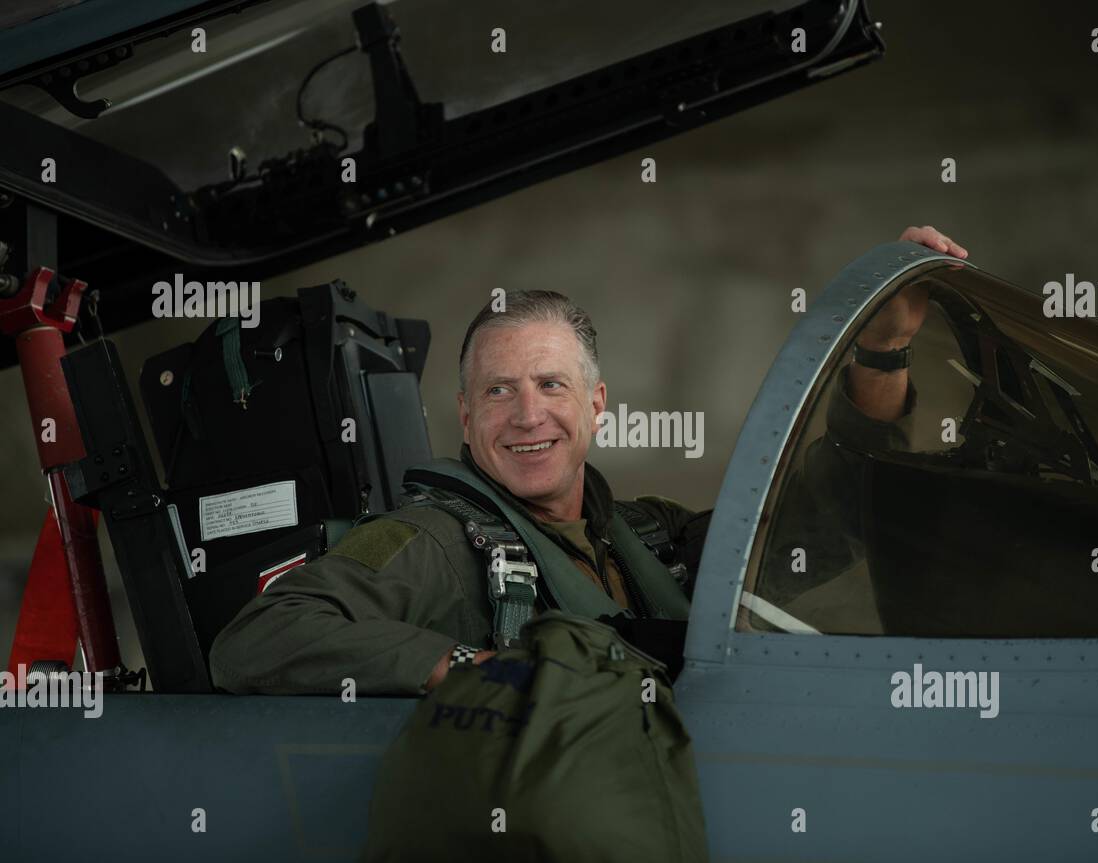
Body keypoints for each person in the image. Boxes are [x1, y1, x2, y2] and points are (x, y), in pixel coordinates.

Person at [208, 226, 968, 694]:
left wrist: (882, 348)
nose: (528, 414)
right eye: (499, 391)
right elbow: (260, 641)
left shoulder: (648, 538)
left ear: (596, 405)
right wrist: (483, 674)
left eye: (550, 386)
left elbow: (827, 526)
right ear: (467, 418)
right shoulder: (433, 543)